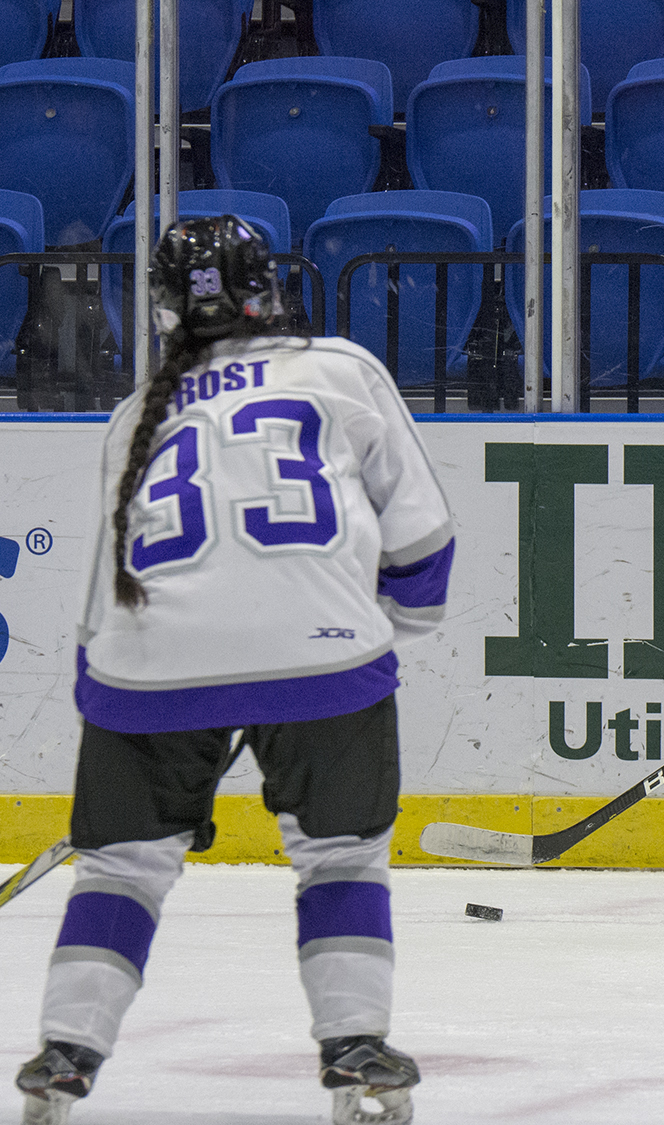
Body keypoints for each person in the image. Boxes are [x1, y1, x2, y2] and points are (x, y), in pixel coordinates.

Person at [13, 216, 455, 1125]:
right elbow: (422, 540)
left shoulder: (135, 414)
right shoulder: (340, 368)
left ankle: (65, 1053)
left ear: (162, 310)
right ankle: (355, 1046)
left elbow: (100, 606)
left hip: (145, 669)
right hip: (326, 652)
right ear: (270, 289)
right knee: (341, 855)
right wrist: (383, 633)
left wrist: (124, 732)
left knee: (121, 870)